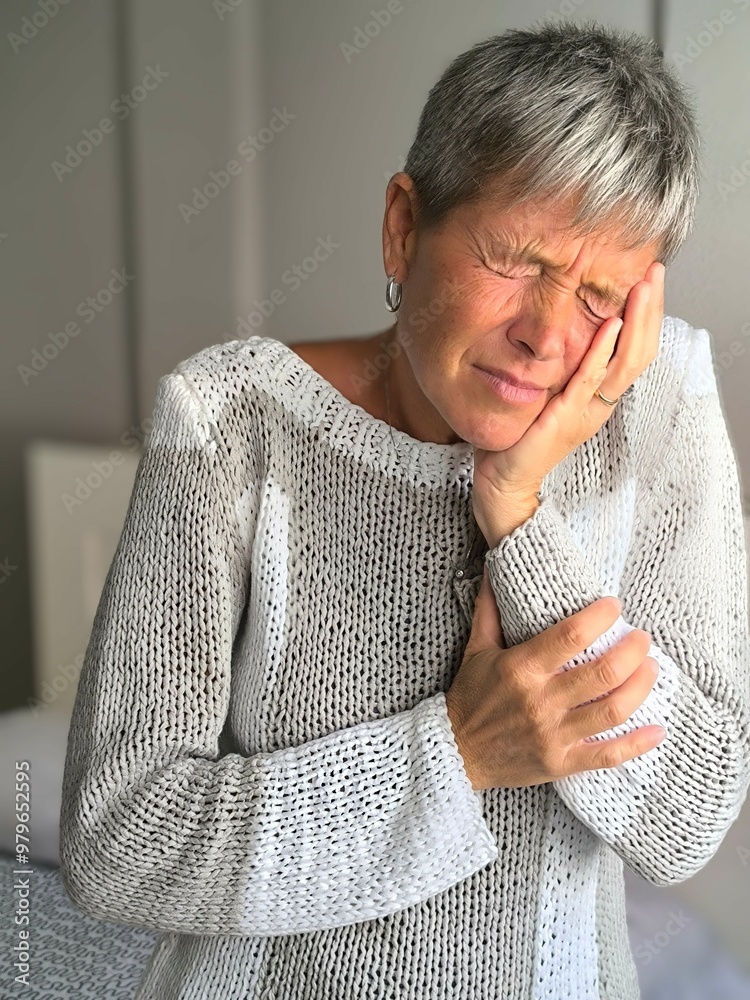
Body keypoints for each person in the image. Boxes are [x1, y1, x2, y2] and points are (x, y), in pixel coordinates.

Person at [59, 18, 750, 1000]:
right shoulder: (229, 423)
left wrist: (517, 511)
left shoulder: (659, 407)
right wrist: (454, 757)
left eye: (600, 293)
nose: (547, 334)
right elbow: (118, 838)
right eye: (516, 259)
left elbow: (687, 817)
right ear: (402, 224)